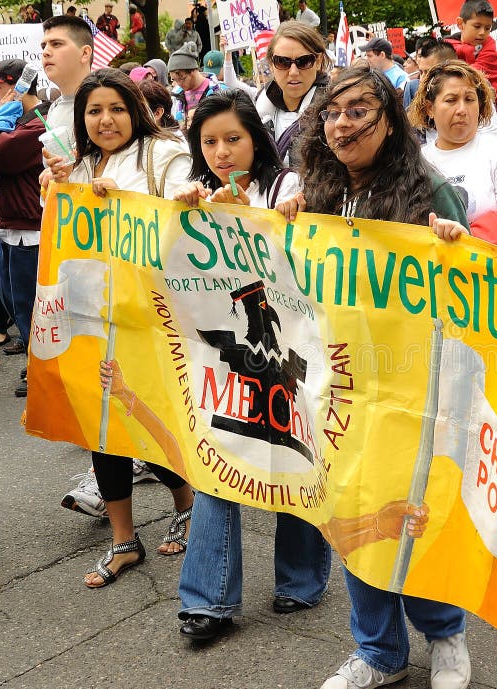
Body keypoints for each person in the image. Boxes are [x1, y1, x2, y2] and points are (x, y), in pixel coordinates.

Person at [275, 66, 472, 689]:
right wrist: (284, 220)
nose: (343, 124)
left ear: (391, 119)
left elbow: (470, 295)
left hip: (412, 389)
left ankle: (444, 634)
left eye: (360, 110)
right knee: (352, 512)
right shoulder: (316, 192)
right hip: (336, 388)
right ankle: (380, 651)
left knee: (413, 510)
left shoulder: (430, 194)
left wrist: (454, 244)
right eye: (332, 112)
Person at [171, 89, 327, 640]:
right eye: (209, 142)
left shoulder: (287, 188)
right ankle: (206, 600)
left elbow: (313, 262)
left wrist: (279, 217)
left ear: (255, 141)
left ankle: (301, 579)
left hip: (290, 349)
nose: (221, 152)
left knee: (295, 452)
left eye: (233, 139)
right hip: (222, 356)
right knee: (218, 461)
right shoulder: (193, 197)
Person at [43, 68, 194, 588]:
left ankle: (186, 505)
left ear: (135, 110)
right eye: (94, 111)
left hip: (149, 316)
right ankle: (124, 539)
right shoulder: (77, 167)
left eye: (116, 108)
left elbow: (183, 213)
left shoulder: (165, 156)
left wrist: (127, 202)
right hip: (91, 318)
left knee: (151, 415)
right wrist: (56, 191)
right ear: (82, 120)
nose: (105, 120)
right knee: (101, 426)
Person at [410, 60, 497, 252]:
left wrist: (467, 237)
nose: (461, 110)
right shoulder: (416, 162)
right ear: (429, 108)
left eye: (469, 99)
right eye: (451, 100)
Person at [0, 59, 49, 397]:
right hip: (9, 226)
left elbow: (1, 154)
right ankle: (36, 360)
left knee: (30, 305)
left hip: (31, 228)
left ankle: (43, 370)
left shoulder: (39, 121)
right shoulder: (17, 121)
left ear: (15, 87)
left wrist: (2, 119)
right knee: (12, 302)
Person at [256, 21, 330, 164]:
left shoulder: (335, 110)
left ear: (319, 61)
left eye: (304, 61)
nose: (294, 72)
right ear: (271, 65)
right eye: (283, 62)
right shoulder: (255, 107)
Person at [445, 0, 497, 110]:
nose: (482, 32)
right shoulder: (446, 46)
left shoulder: (489, 45)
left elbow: (474, 74)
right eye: (477, 26)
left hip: (485, 109)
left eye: (487, 28)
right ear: (460, 23)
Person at [167, 41, 227, 132]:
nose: (178, 83)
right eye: (174, 80)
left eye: (181, 78)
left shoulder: (219, 90)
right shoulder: (176, 95)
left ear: (193, 70)